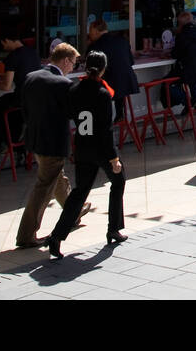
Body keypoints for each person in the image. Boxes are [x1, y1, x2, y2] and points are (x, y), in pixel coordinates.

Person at [46, 51, 126, 259]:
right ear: (103, 69)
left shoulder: (75, 89)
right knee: (118, 181)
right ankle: (113, 228)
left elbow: (70, 113)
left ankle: (56, 236)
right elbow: (106, 130)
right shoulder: (102, 93)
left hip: (82, 145)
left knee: (79, 192)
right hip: (100, 148)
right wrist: (114, 158)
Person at [16, 43, 82, 249]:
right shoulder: (63, 83)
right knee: (45, 186)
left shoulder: (31, 77)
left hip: (35, 138)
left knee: (55, 176)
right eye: (73, 63)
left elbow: (24, 108)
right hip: (53, 141)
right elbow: (73, 113)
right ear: (65, 60)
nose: (72, 68)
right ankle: (26, 234)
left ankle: (75, 211)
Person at [87, 18, 137, 121]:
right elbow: (131, 62)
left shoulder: (95, 45)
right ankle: (119, 114)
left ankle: (99, 122)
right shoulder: (122, 40)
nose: (89, 34)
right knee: (116, 82)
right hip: (126, 84)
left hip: (108, 88)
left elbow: (91, 69)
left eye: (90, 31)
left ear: (96, 31)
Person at [169, 10, 196, 109]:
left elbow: (176, 54)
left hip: (192, 71)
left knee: (168, 84)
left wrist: (168, 53)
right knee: (190, 76)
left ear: (180, 23)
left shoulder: (183, 35)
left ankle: (189, 101)